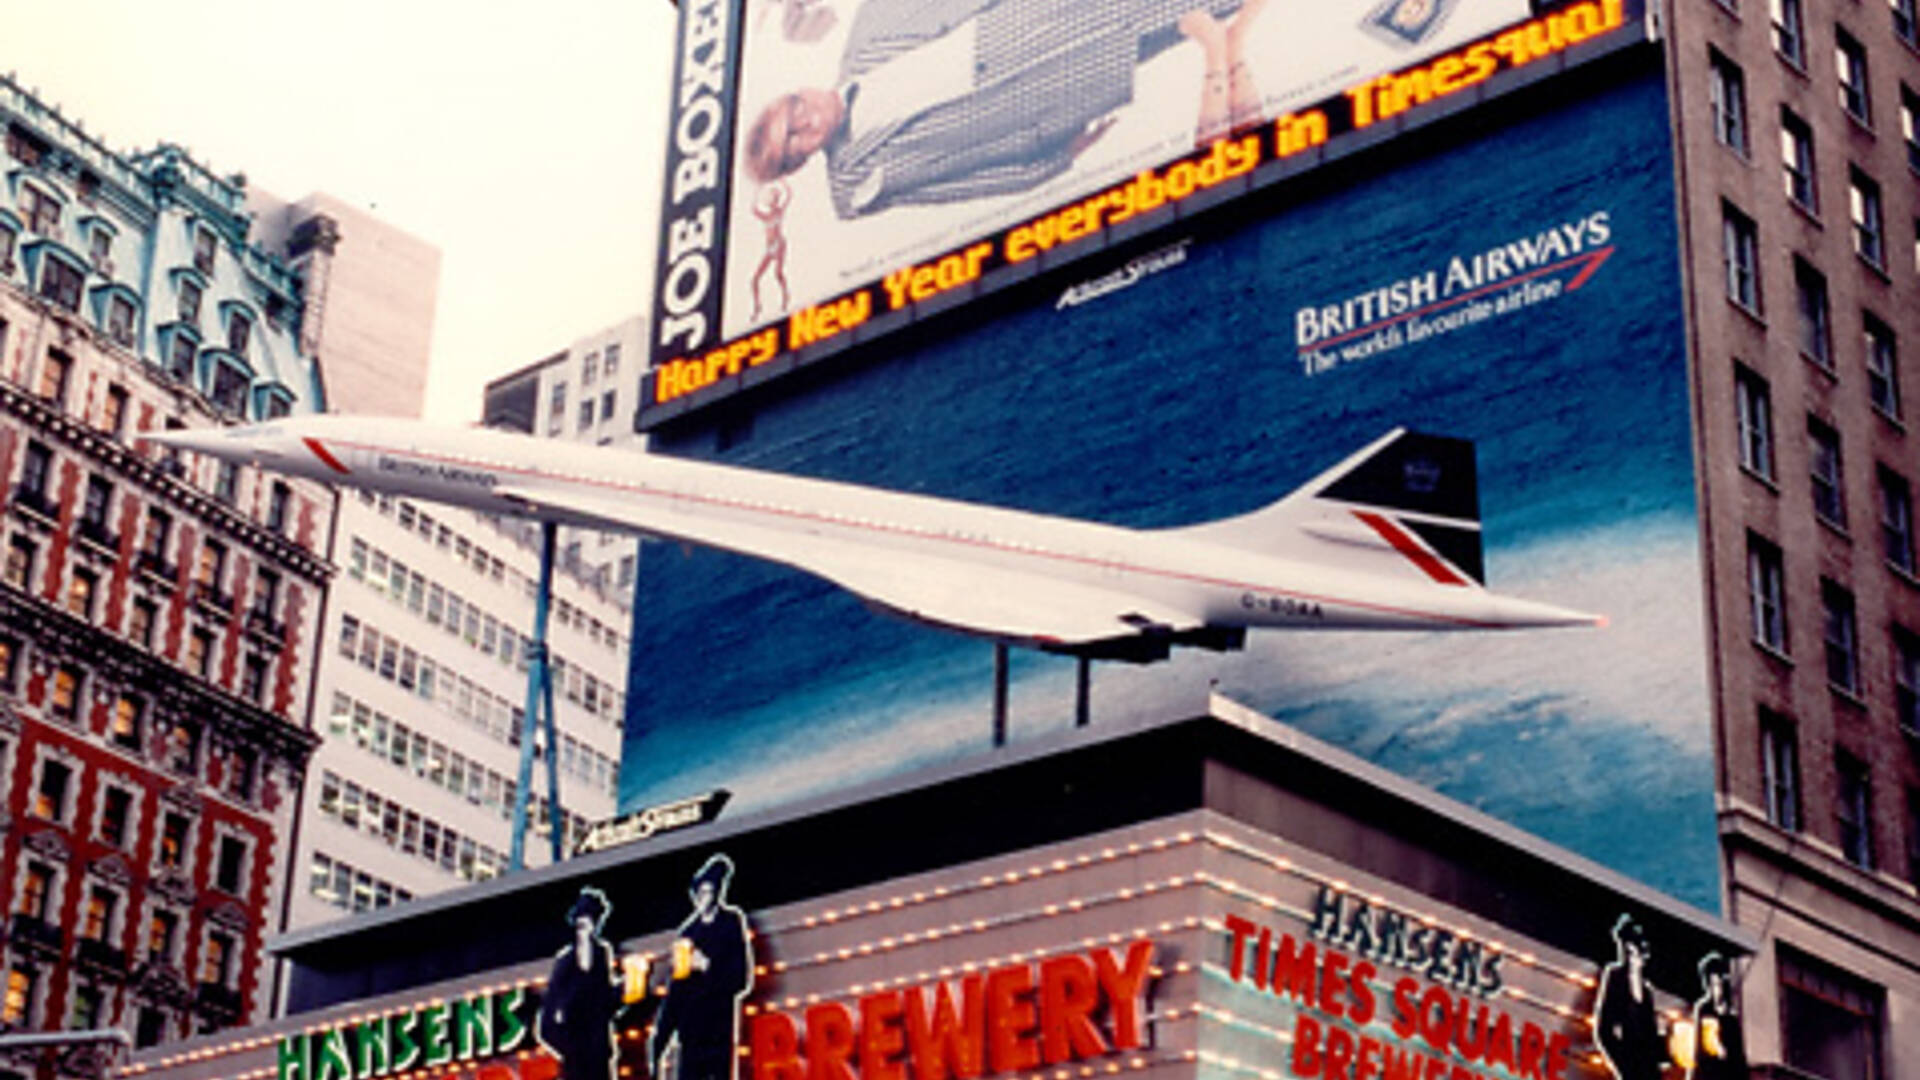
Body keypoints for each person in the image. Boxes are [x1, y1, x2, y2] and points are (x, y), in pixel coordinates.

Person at [742, 0, 1271, 218]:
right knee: (1162, 31)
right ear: (800, 162)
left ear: (798, 90)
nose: (808, 120)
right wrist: (1050, 161)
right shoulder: (851, 185)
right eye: (796, 140)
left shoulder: (863, 35)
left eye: (795, 109)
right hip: (1035, 95)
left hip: (1019, 16)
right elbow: (954, 183)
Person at [649, 856, 753, 1080]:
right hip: (690, 1034)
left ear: (716, 893)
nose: (703, 898)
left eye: (708, 892)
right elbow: (676, 990)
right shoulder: (688, 932)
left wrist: (707, 965)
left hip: (717, 1032)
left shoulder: (730, 922)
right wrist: (661, 1038)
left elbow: (741, 979)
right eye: (699, 893)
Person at [539, 888, 623, 1080]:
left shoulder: (601, 953)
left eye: (589, 922)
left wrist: (624, 990)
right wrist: (570, 1049)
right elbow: (546, 1023)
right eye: (580, 925)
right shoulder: (565, 962)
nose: (584, 931)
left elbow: (606, 1004)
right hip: (577, 1060)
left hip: (600, 1056)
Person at [1593, 915, 1666, 1080]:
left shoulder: (1647, 991)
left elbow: (1650, 1037)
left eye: (1636, 952)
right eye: (1628, 950)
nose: (1633, 957)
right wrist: (1624, 1065)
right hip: (1630, 1069)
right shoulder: (1615, 976)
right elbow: (1604, 1030)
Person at [1688, 953, 1747, 1080]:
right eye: (1714, 984)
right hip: (1709, 1072)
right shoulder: (1704, 1010)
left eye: (1720, 983)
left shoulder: (1731, 1016)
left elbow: (1739, 1058)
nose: (1718, 989)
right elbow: (1698, 1047)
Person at [749, 181, 793, 321]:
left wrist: (782, 181)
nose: (771, 201)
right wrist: (757, 190)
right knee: (755, 279)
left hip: (779, 243)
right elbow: (753, 209)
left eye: (773, 198)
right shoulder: (766, 216)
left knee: (778, 273)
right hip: (769, 247)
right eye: (770, 199)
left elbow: (789, 196)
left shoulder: (779, 211)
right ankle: (757, 306)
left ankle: (785, 297)